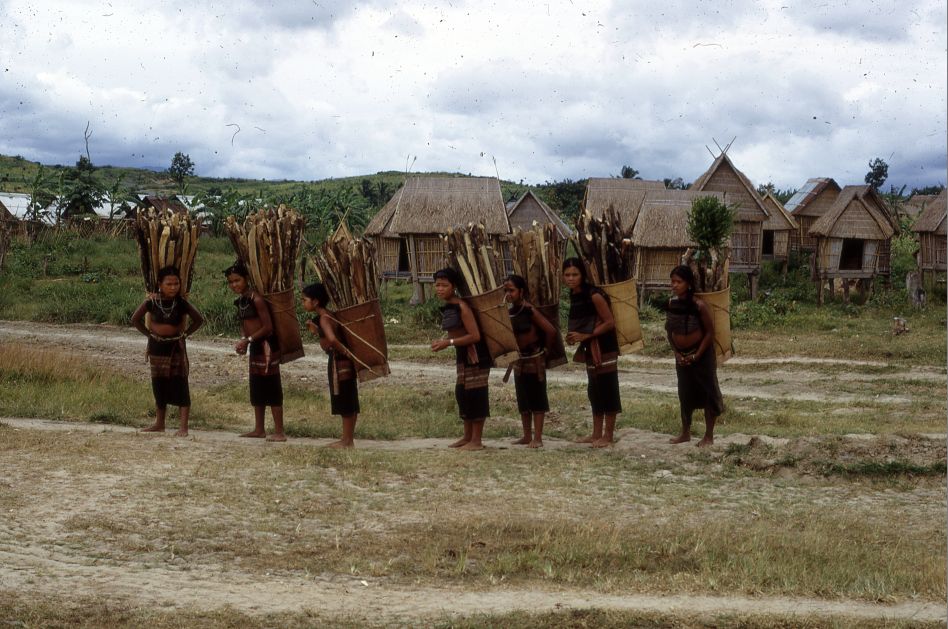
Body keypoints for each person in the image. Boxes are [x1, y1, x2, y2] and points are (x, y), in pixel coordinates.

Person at [131, 265, 204, 437]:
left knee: (180, 383)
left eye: (176, 284)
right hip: (157, 348)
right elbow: (135, 319)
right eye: (169, 284)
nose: (173, 287)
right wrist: (149, 334)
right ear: (160, 284)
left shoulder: (181, 303)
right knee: (159, 384)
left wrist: (184, 334)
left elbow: (199, 320)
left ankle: (183, 427)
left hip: (175, 347)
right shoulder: (151, 302)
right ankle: (159, 423)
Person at [430, 267, 491, 451]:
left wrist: (448, 342)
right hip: (462, 355)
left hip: (476, 355)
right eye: (437, 285)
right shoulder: (450, 306)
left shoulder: (462, 307)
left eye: (444, 285)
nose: (440, 289)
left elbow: (475, 336)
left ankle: (477, 441)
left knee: (476, 393)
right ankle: (467, 436)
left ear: (453, 286)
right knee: (462, 393)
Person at [225, 261, 286, 442]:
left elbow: (267, 327)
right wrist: (244, 341)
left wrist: (248, 340)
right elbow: (246, 325)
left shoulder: (256, 299)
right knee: (257, 386)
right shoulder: (242, 300)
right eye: (231, 282)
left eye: (237, 280)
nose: (234, 285)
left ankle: (279, 431)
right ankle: (259, 429)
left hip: (267, 346)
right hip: (255, 346)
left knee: (272, 386)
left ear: (246, 279)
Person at [563, 257, 620, 448]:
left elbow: (609, 322)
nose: (571, 278)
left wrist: (585, 336)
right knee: (594, 390)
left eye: (575, 274)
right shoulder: (575, 296)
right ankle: (596, 433)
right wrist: (574, 337)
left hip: (604, 347)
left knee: (607, 388)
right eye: (567, 275)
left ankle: (608, 435)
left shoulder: (594, 295)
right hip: (590, 348)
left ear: (583, 275)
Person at [665, 265, 724, 447]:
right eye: (673, 281)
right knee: (685, 393)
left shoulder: (699, 306)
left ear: (688, 284)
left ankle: (709, 436)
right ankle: (685, 432)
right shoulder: (671, 304)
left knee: (707, 393)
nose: (674, 285)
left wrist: (697, 356)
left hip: (702, 356)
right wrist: (676, 353)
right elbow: (669, 331)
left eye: (679, 282)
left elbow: (709, 333)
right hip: (681, 357)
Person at [301, 283, 359, 448]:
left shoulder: (324, 318)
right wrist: (317, 332)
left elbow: (332, 339)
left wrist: (346, 353)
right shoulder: (329, 315)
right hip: (342, 361)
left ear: (316, 301)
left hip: (339, 361)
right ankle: (348, 439)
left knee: (345, 399)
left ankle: (347, 441)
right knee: (349, 397)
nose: (303, 303)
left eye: (304, 300)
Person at [503, 274, 557, 448]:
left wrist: (545, 351)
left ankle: (538, 437)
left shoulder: (530, 310)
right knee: (523, 399)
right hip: (520, 361)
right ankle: (527, 435)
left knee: (537, 398)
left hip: (534, 359)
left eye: (511, 290)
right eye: (506, 291)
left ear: (521, 291)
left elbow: (550, 331)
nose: (508, 294)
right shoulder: (510, 313)